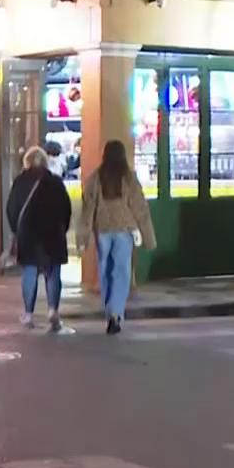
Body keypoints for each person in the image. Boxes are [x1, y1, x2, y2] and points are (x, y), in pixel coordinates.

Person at [75, 139, 154, 334]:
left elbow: (87, 211)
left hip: (103, 230)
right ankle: (116, 313)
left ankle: (109, 310)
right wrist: (148, 236)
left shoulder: (95, 179)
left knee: (105, 270)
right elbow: (140, 208)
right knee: (122, 272)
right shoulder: (129, 178)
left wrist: (82, 239)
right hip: (125, 230)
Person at [6, 144, 72, 332]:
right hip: (53, 234)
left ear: (26, 162)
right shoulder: (56, 182)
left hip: (29, 235)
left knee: (29, 272)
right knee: (53, 274)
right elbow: (66, 210)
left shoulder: (20, 182)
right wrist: (62, 229)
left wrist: (17, 231)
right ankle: (53, 310)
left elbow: (12, 209)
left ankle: (28, 313)